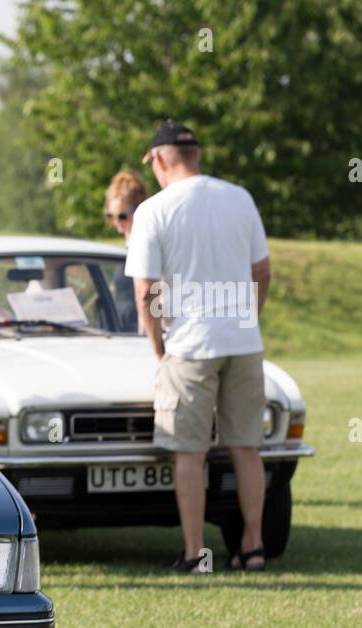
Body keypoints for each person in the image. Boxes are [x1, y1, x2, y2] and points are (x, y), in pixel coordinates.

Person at [124, 120, 272, 573]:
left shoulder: (153, 210)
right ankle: (253, 548)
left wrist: (157, 344)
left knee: (190, 452)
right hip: (242, 341)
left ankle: (195, 555)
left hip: (189, 343)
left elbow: (146, 290)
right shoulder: (239, 197)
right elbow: (262, 270)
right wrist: (249, 317)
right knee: (247, 447)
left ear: (161, 159)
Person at [103, 169, 148, 333]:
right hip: (120, 325)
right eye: (110, 215)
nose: (116, 221)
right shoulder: (127, 245)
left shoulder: (144, 245)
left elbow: (147, 293)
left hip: (138, 327)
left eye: (122, 216)